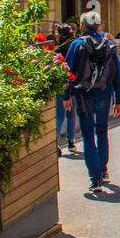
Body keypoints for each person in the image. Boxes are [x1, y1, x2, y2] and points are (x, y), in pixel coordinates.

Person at [63, 11, 120, 194]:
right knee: (102, 131)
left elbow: (66, 71)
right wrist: (118, 100)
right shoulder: (108, 46)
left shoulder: (76, 45)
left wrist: (66, 96)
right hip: (104, 94)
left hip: (83, 95)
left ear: (82, 26)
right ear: (99, 26)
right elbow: (117, 75)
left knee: (88, 136)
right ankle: (103, 170)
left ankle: (95, 179)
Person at [54, 23, 78, 155]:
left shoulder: (57, 52)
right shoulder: (74, 49)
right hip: (72, 85)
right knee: (71, 115)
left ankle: (56, 141)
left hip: (60, 86)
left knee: (59, 116)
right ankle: (71, 142)